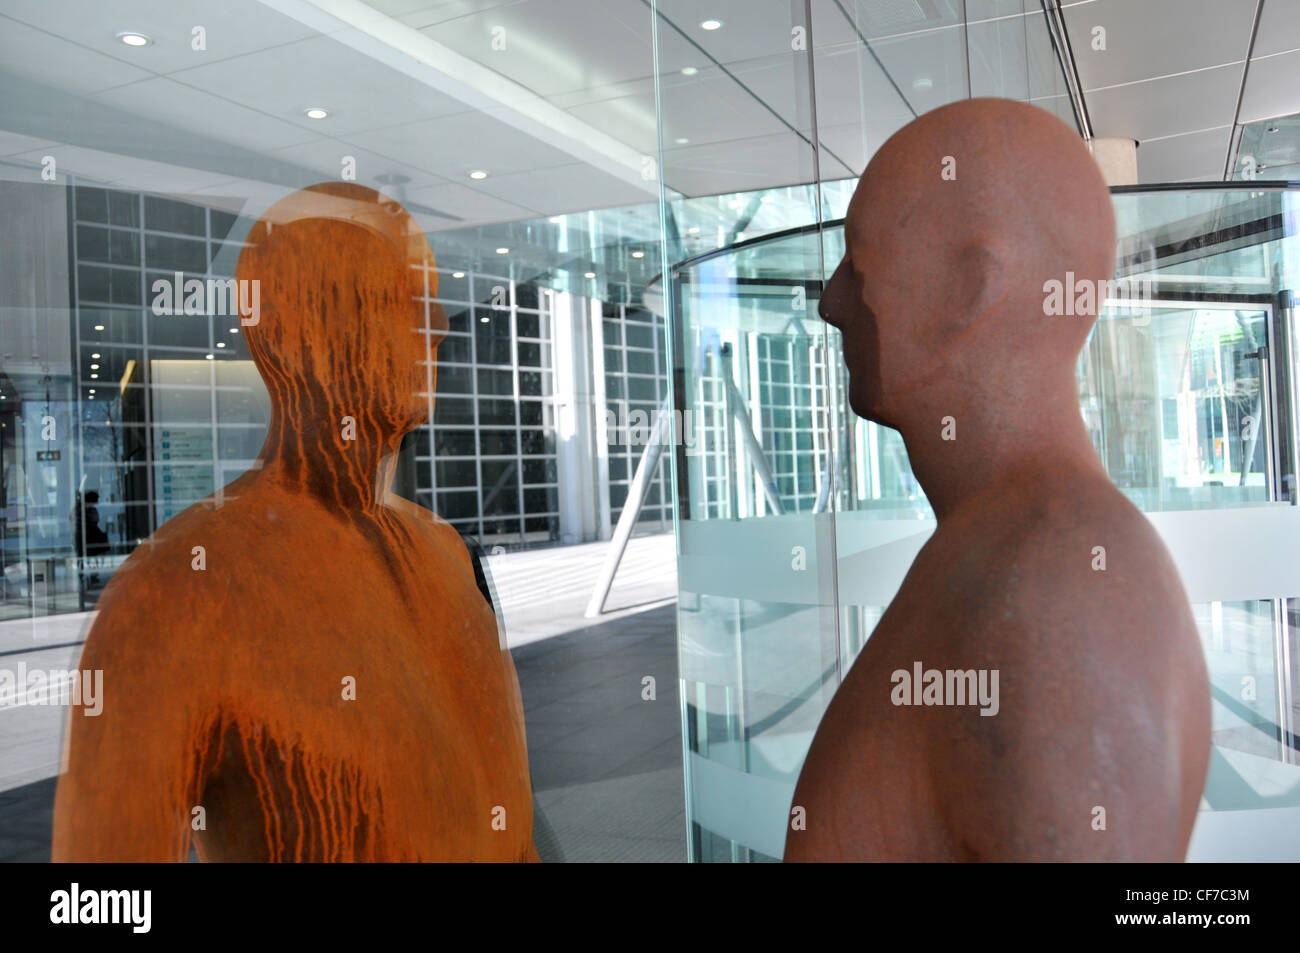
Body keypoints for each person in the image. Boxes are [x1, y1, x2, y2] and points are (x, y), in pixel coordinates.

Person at [54, 183, 536, 862]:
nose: (441, 324)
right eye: (402, 297)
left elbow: (512, 834)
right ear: (298, 328)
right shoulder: (177, 590)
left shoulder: (446, 552)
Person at [785, 98, 1210, 862]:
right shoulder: (1017, 552)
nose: (830, 303)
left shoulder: (1055, 590)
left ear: (969, 291)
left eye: (857, 262)